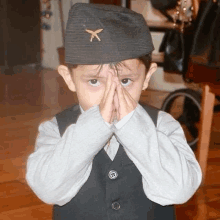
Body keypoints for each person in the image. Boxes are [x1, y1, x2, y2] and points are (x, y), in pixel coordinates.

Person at [26, 3, 202, 220]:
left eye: (125, 81)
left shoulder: (164, 125)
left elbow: (180, 190)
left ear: (147, 77)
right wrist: (92, 128)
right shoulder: (54, 129)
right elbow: (48, 189)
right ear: (69, 78)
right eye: (94, 81)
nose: (112, 94)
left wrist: (135, 128)